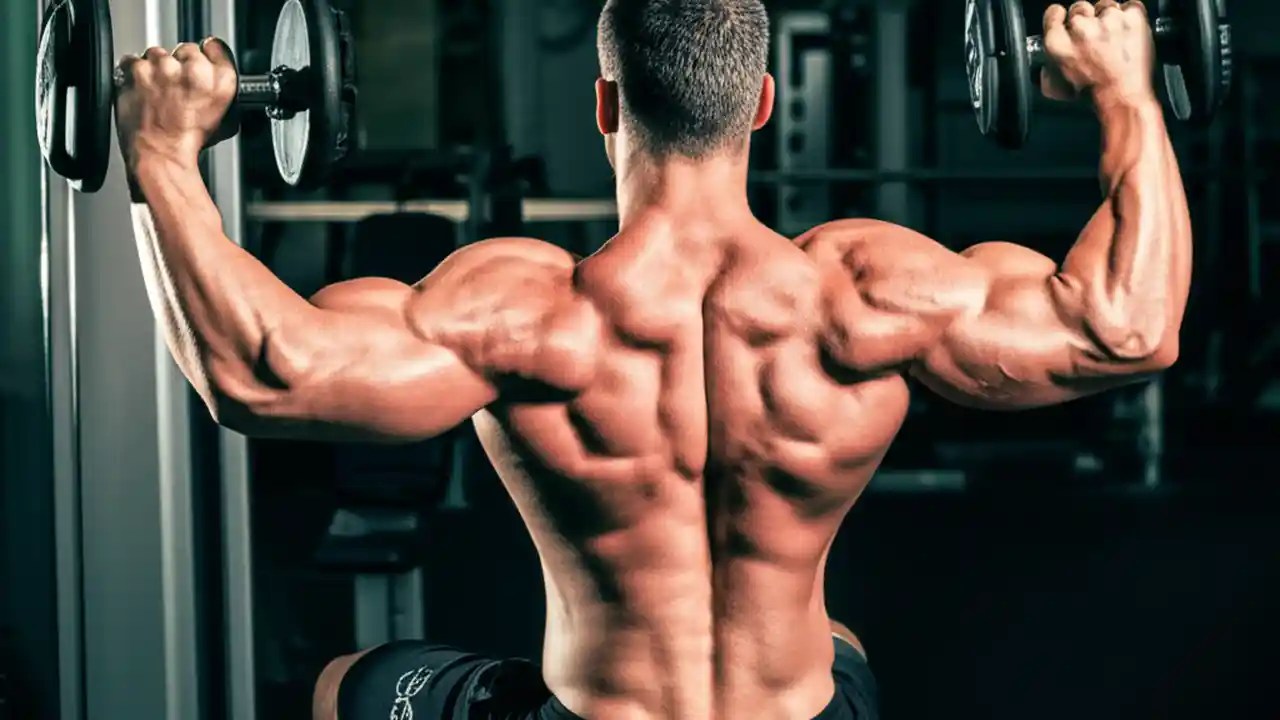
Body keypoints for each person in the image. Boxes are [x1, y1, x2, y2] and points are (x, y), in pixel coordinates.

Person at [112, 0, 1188, 717]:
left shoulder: (528, 310)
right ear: (760, 104)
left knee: (345, 684)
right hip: (800, 713)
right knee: (838, 640)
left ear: (604, 106)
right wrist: (1123, 90)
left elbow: (262, 372)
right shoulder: (866, 290)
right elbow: (1124, 327)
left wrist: (160, 151)